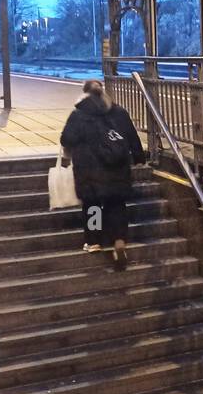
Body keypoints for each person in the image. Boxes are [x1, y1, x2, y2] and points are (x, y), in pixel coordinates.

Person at [60, 79, 146, 269]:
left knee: (93, 205)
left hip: (89, 171)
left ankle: (94, 241)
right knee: (116, 204)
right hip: (117, 168)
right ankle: (119, 241)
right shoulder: (119, 112)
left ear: (85, 94)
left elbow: (66, 139)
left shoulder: (79, 115)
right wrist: (139, 158)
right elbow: (132, 137)